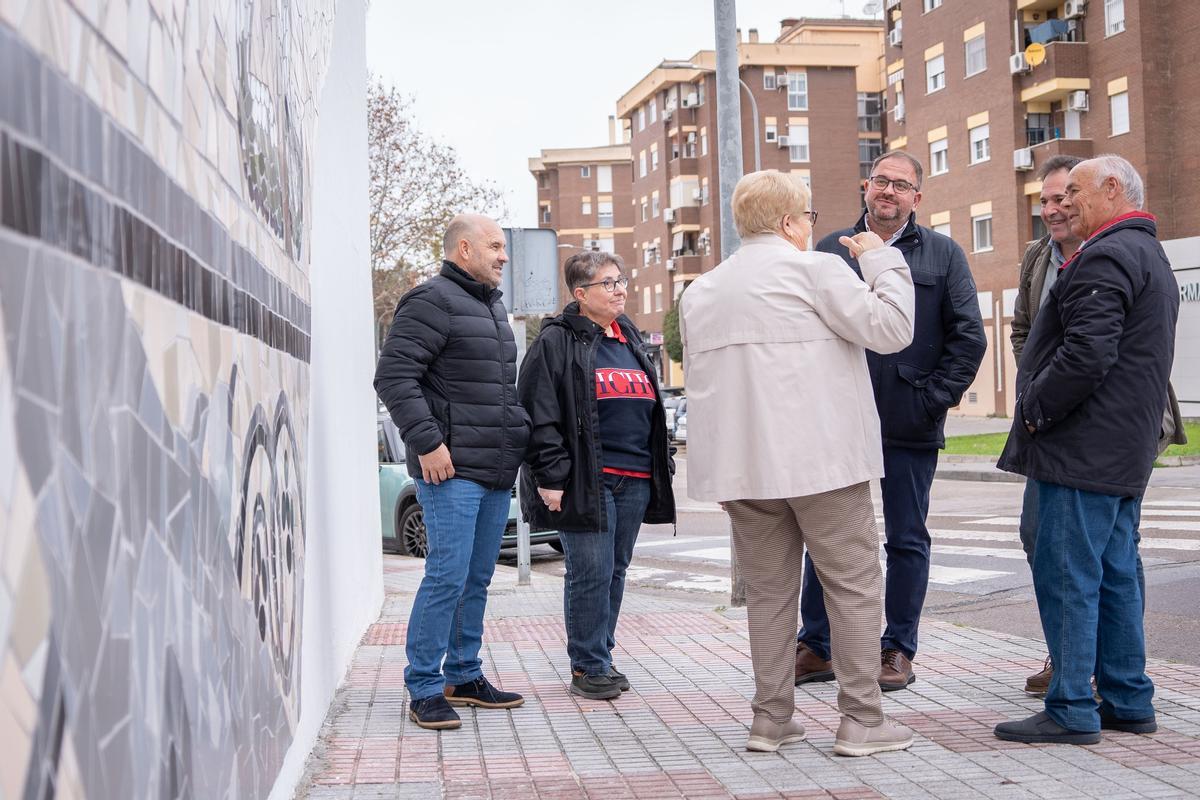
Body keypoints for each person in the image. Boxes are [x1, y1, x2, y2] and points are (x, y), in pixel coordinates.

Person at [680, 170, 915, 756]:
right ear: (789, 223)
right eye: (808, 218)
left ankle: (771, 718)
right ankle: (861, 720)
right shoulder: (816, 270)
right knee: (854, 587)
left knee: (769, 593)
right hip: (823, 463)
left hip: (744, 469)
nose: (812, 228)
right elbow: (892, 329)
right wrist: (883, 262)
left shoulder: (701, 290)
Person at [993, 155, 1178, 744]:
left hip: (1082, 449)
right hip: (1119, 449)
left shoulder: (1106, 254)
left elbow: (1087, 355)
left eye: (1074, 190)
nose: (1064, 201)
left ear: (1112, 189)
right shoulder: (1147, 252)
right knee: (1116, 571)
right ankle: (1127, 697)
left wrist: (1036, 408)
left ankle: (1071, 704)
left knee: (1069, 574)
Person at [796, 152, 986, 691]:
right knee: (826, 537)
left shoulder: (943, 254)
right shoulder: (831, 250)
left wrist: (930, 400)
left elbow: (969, 337)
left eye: (901, 185)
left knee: (906, 539)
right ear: (865, 186)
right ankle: (817, 644)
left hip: (909, 423)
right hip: (839, 422)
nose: (889, 191)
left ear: (916, 199)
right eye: (881, 181)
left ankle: (897, 648)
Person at [374, 214, 530, 730]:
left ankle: (462, 674)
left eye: (503, 248)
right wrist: (428, 443)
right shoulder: (431, 300)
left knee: (477, 579)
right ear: (463, 249)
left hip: (492, 466)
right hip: (450, 470)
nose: (503, 256)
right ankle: (423, 686)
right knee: (445, 577)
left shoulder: (492, 306)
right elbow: (394, 376)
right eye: (494, 247)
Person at [518, 251, 676, 701]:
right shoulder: (556, 341)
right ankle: (587, 666)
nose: (620, 289)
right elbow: (538, 413)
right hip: (588, 479)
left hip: (636, 478)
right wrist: (551, 476)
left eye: (621, 281)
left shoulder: (627, 337)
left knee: (616, 571)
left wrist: (662, 459)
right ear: (581, 293)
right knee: (590, 571)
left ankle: (601, 655)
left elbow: (651, 409)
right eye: (608, 283)